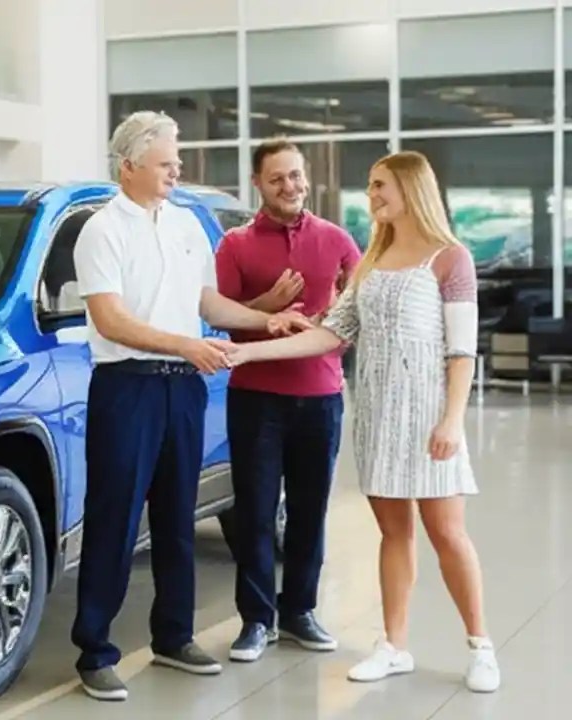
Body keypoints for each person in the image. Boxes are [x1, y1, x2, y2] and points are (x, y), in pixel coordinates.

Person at [225, 151, 500, 693]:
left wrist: (451, 421)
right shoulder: (374, 259)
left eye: (379, 187)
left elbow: (462, 352)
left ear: (410, 190)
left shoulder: (451, 258)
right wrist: (247, 354)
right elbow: (332, 332)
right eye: (371, 186)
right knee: (392, 534)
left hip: (428, 421)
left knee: (447, 534)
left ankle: (481, 645)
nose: (370, 196)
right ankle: (394, 645)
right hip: (377, 417)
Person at [70, 111, 312, 702]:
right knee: (116, 518)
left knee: (179, 514)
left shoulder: (184, 224)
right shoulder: (101, 231)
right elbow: (110, 319)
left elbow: (207, 301)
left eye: (177, 160)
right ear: (129, 167)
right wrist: (189, 345)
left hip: (184, 387)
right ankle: (95, 650)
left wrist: (265, 320)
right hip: (128, 388)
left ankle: (174, 636)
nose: (177, 169)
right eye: (166, 162)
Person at [214, 139, 362, 663]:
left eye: (296, 176)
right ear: (258, 183)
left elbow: (357, 307)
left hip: (321, 398)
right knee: (253, 512)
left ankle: (299, 611)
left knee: (308, 510)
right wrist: (265, 306)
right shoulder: (235, 244)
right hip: (256, 399)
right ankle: (257, 621)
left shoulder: (338, 240)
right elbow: (219, 318)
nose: (291, 186)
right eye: (278, 178)